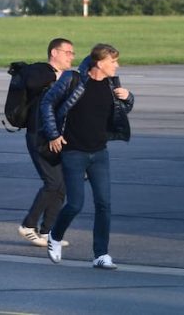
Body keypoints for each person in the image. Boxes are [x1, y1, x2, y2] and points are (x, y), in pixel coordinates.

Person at [40, 43, 133, 270]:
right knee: (75, 204)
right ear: (100, 63)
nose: (117, 65)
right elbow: (47, 103)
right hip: (74, 152)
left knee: (104, 204)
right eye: (113, 61)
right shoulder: (73, 80)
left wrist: (129, 98)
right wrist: (53, 134)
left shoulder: (112, 84)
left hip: (99, 153)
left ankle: (101, 254)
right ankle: (55, 235)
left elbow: (121, 111)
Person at [17, 37, 76, 247]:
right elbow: (31, 82)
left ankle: (48, 232)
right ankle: (28, 225)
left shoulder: (65, 77)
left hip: (56, 137)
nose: (72, 56)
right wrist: (55, 76)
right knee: (52, 182)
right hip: (38, 136)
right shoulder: (42, 73)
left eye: (73, 53)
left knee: (61, 186)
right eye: (68, 52)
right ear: (54, 53)